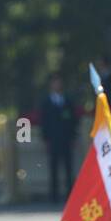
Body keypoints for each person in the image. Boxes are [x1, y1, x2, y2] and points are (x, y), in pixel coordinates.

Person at [39, 73, 77, 204]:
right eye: (55, 82)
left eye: (59, 82)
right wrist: (45, 139)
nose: (57, 85)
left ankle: (70, 195)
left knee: (68, 168)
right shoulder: (46, 102)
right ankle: (54, 196)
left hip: (66, 139)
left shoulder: (67, 101)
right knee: (53, 168)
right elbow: (44, 122)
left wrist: (73, 137)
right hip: (53, 140)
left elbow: (73, 120)